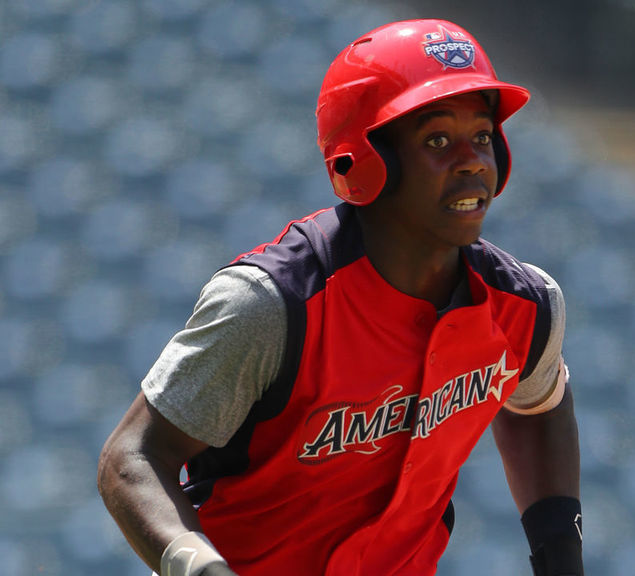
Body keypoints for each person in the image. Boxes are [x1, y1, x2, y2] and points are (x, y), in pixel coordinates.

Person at [98, 19, 582, 576]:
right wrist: (202, 569)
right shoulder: (272, 305)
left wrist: (559, 552)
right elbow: (130, 458)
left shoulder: (524, 305)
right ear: (366, 159)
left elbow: (538, 407)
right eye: (438, 140)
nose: (472, 160)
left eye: (482, 136)